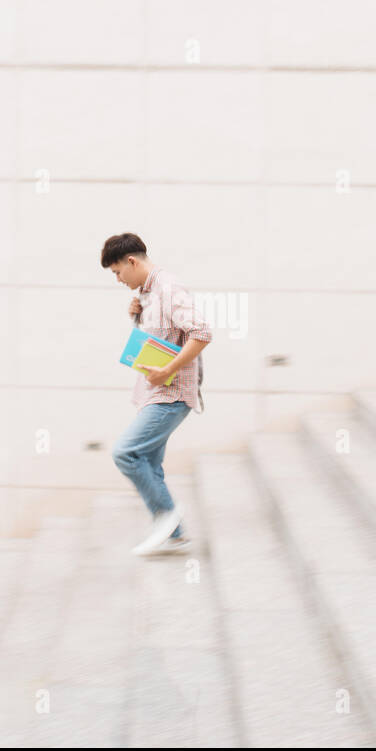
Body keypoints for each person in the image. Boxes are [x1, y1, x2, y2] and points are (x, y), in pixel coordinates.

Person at [101, 233, 211, 556]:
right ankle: (175, 535)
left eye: (118, 272)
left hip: (170, 396)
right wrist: (137, 314)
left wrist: (168, 370)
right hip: (155, 394)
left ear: (131, 261)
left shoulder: (169, 288)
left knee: (126, 453)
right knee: (148, 462)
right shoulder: (149, 293)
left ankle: (166, 515)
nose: (119, 280)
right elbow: (161, 336)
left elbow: (201, 333)